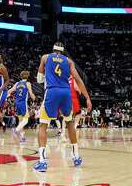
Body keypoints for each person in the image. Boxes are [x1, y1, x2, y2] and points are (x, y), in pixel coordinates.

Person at [34, 42, 91, 173]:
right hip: (66, 93)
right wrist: (87, 97)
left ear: (53, 50)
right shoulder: (69, 62)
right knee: (70, 123)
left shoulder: (45, 57)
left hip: (52, 91)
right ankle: (76, 157)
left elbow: (39, 79)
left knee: (43, 125)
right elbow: (78, 79)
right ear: (63, 51)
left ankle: (42, 162)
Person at [11, 70, 36, 143]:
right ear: (27, 76)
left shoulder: (17, 83)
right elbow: (31, 93)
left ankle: (22, 137)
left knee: (21, 121)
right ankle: (15, 130)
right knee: (26, 120)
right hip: (23, 103)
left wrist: (5, 94)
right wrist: (34, 97)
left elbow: (11, 90)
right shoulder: (27, 83)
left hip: (17, 103)